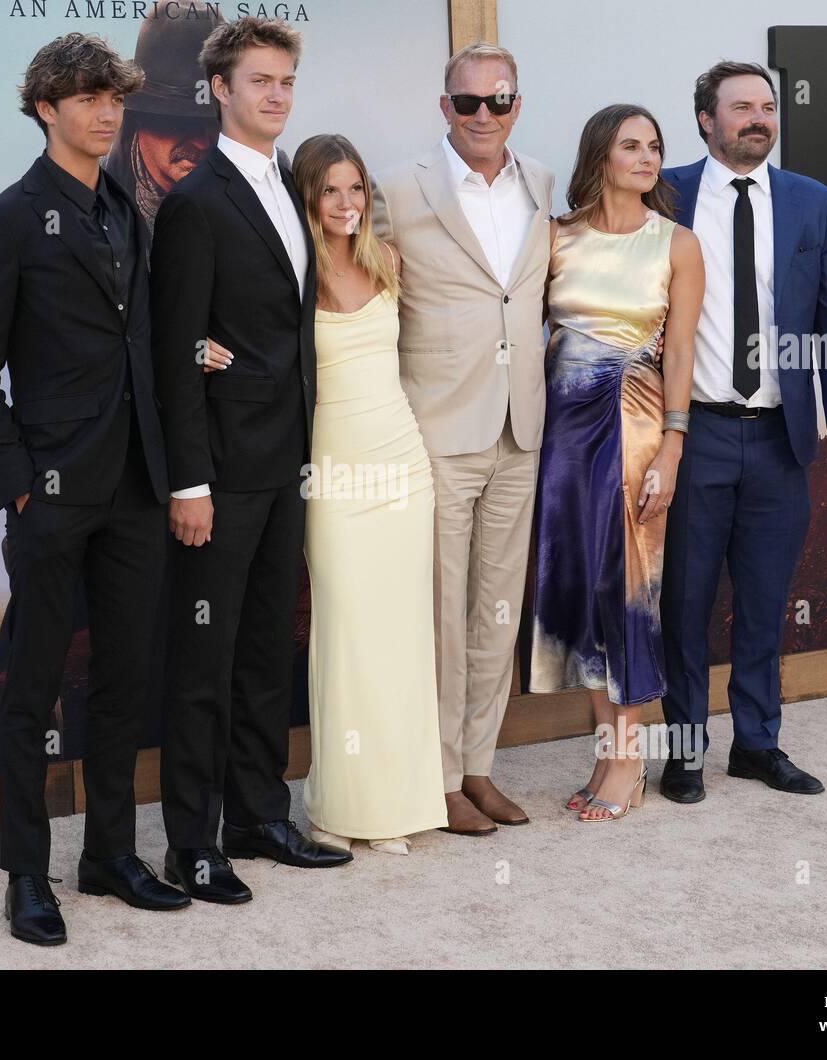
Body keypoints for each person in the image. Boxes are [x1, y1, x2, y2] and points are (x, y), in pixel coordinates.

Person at [0, 33, 191, 947]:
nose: (106, 111)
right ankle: (25, 878)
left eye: (114, 97)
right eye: (87, 97)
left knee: (129, 677)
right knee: (34, 689)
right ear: (46, 108)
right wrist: (18, 488)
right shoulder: (6, 219)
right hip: (51, 493)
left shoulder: (128, 209)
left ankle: (111, 855)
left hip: (136, 484)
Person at [150, 17, 352, 906]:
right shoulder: (196, 201)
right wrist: (187, 481)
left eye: (286, 81)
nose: (276, 94)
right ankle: (191, 845)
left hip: (287, 467)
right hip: (220, 477)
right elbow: (175, 346)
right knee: (205, 660)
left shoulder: (289, 188)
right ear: (219, 91)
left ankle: (260, 816)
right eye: (258, 80)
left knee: (269, 649)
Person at [209, 133, 448, 855]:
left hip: (403, 466)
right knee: (345, 637)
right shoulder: (293, 275)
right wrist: (199, 349)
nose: (347, 204)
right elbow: (228, 336)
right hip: (331, 474)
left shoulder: (390, 262)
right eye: (331, 191)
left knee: (403, 638)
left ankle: (400, 803)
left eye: (356, 189)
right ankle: (342, 807)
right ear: (307, 197)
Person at [658, 61, 827, 803]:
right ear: (705, 120)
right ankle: (683, 752)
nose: (758, 119)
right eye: (741, 107)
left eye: (768, 107)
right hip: (696, 431)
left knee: (765, 598)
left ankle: (756, 743)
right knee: (683, 604)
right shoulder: (665, 193)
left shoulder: (811, 201)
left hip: (782, 435)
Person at [372, 43, 554, 836]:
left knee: (498, 608)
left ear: (518, 104)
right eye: (470, 101)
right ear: (444, 106)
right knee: (443, 612)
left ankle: (480, 766)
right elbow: (368, 299)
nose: (486, 115)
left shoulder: (542, 185)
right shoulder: (397, 189)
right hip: (440, 426)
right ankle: (439, 774)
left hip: (523, 424)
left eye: (500, 100)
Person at [529, 105, 704, 822]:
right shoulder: (555, 237)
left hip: (634, 433)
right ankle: (607, 748)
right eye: (631, 145)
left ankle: (629, 759)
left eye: (655, 146)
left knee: (630, 586)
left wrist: (673, 444)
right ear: (600, 154)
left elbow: (683, 352)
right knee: (582, 590)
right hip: (562, 437)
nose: (647, 157)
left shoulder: (678, 244)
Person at [103, 1, 222, 245]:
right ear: (138, 117)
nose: (201, 141)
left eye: (215, 121)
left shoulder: (267, 185)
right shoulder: (91, 203)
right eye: (181, 121)